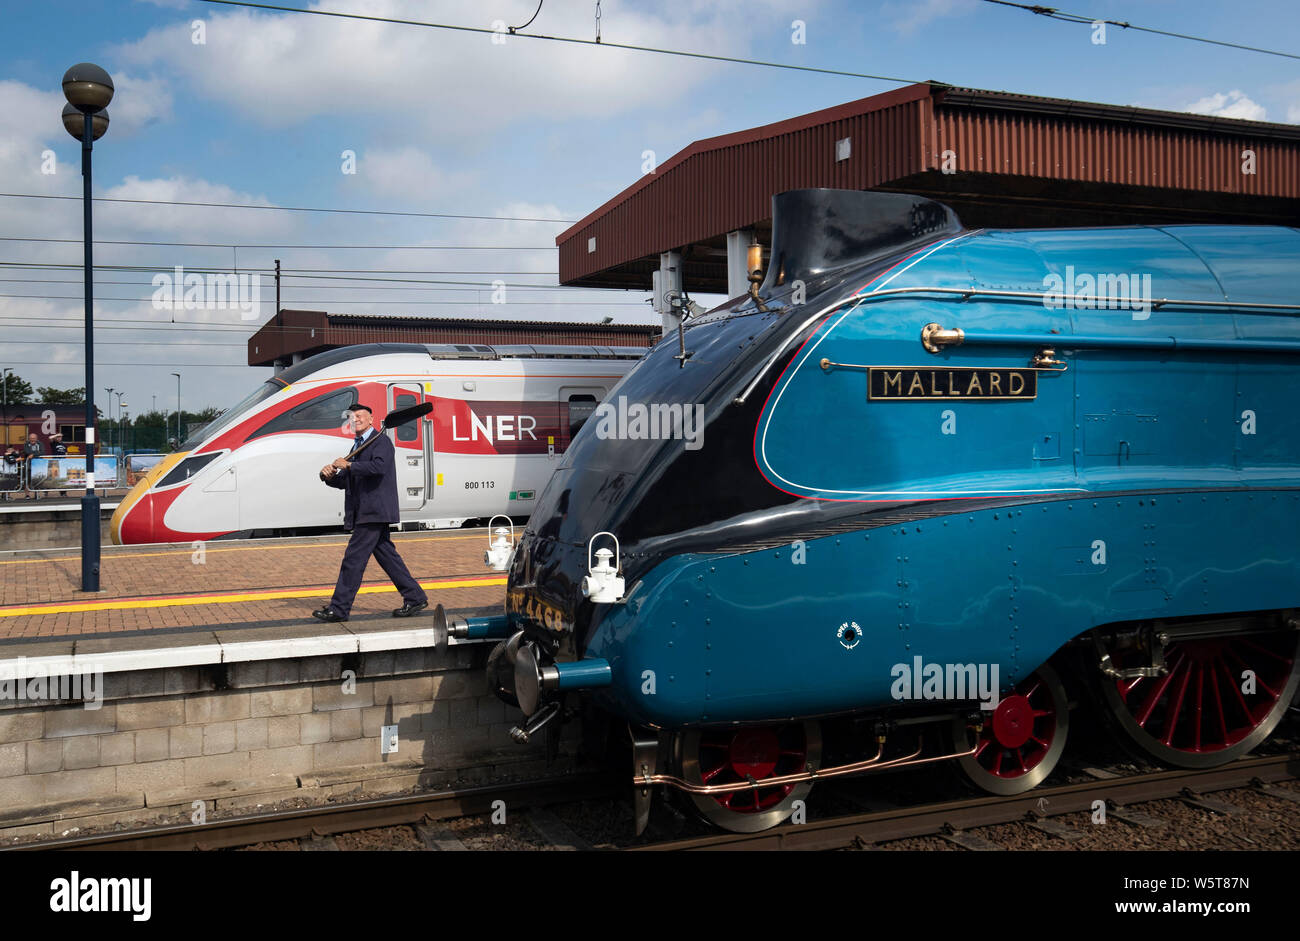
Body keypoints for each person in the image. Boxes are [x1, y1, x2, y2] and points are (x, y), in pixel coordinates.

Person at [313, 404, 428, 622]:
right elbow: (348, 481)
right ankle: (414, 597)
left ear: (371, 419)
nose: (355, 419)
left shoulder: (381, 441)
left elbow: (378, 468)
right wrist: (329, 476)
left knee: (353, 560)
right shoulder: (358, 446)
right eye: (352, 417)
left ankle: (338, 609)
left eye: (360, 416)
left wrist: (348, 466)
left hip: (373, 511)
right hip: (365, 511)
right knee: (388, 558)